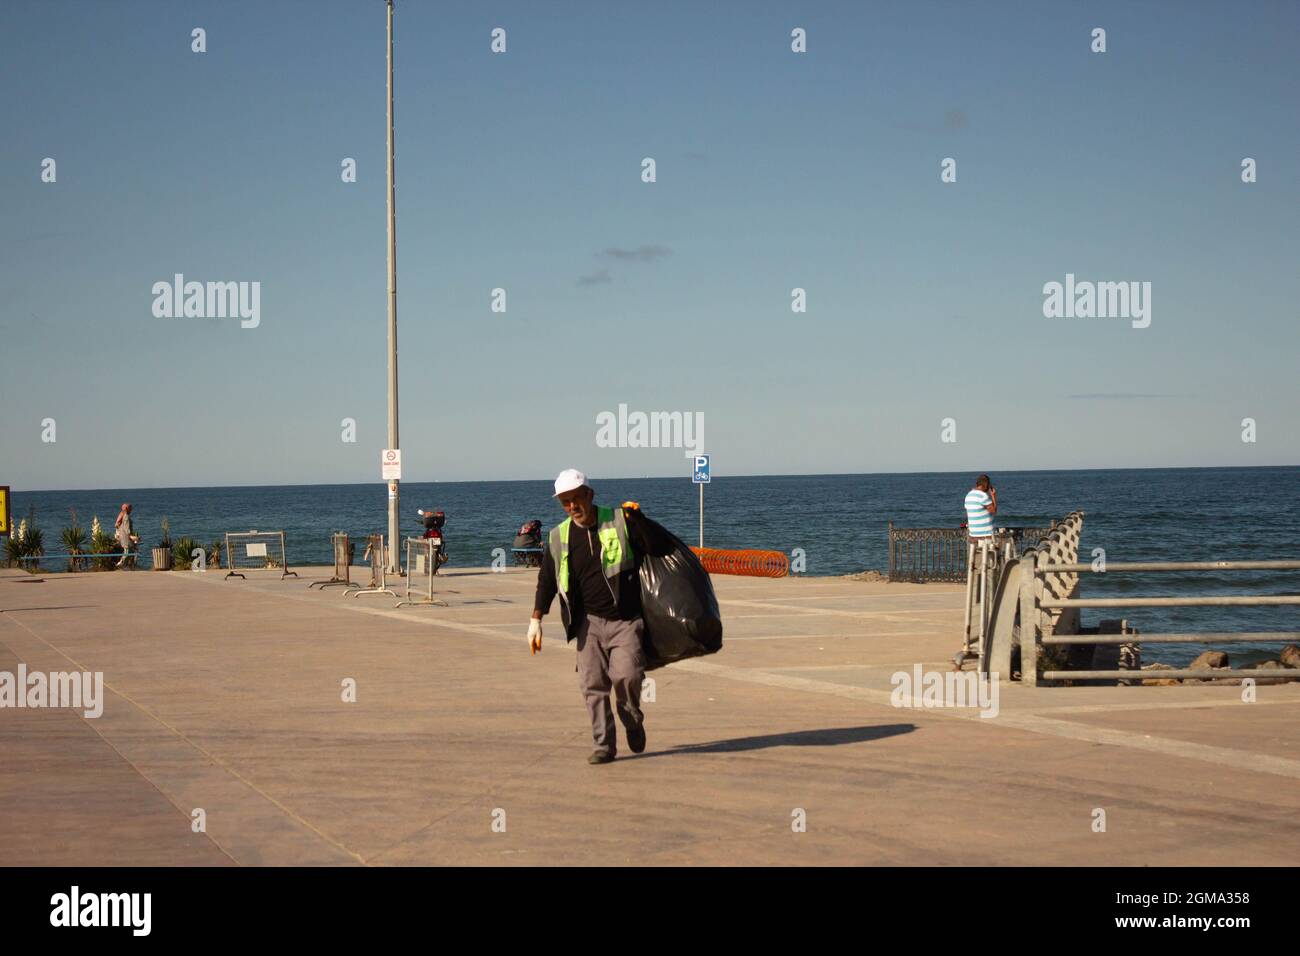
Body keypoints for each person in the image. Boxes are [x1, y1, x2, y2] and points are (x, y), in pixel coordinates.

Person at [528, 469, 673, 765]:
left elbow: (658, 546)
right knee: (592, 685)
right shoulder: (558, 537)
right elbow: (547, 581)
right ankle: (604, 745)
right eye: (565, 502)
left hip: (626, 620)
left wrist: (640, 519)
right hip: (587, 624)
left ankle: (631, 717)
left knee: (627, 676)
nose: (572, 507)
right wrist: (536, 619)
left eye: (576, 499)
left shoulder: (620, 520)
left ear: (590, 495)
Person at [964, 475, 997, 540]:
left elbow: (968, 514)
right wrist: (993, 496)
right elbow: (994, 511)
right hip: (986, 534)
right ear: (986, 485)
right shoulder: (983, 496)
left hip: (973, 534)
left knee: (975, 550)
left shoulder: (968, 495)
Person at [113, 503, 137, 569]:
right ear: (127, 509)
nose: (131, 510)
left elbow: (118, 526)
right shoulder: (126, 516)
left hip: (123, 536)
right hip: (126, 537)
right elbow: (127, 528)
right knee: (127, 550)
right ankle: (121, 563)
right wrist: (131, 536)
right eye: (130, 508)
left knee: (129, 550)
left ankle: (124, 564)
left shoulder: (122, 515)